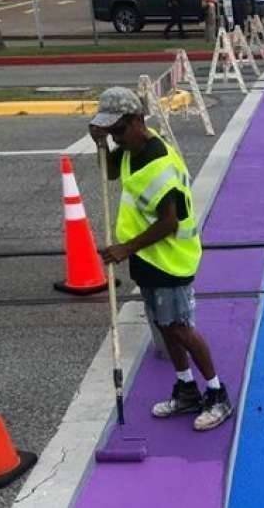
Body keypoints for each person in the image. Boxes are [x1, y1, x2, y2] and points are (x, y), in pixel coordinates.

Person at [88, 87, 233, 432]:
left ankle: (217, 393)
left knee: (181, 328)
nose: (116, 138)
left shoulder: (161, 164)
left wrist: (125, 248)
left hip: (170, 259)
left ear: (138, 121)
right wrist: (102, 143)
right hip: (148, 258)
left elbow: (170, 222)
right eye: (111, 132)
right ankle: (186, 389)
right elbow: (111, 172)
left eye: (119, 130)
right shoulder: (130, 150)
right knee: (164, 326)